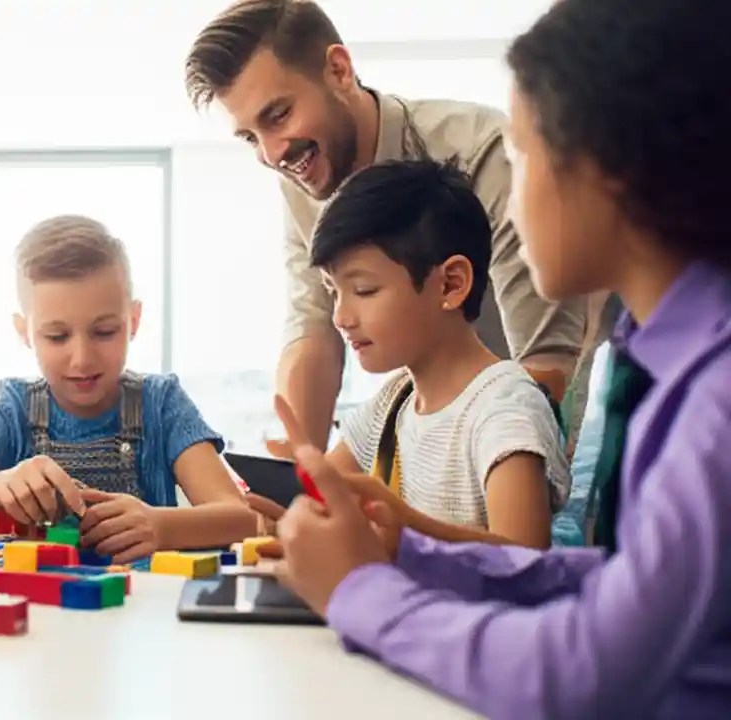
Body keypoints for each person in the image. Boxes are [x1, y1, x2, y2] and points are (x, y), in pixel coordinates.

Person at [261, 0, 731, 716]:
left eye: (521, 154)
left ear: (606, 168)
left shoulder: (715, 402)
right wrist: (408, 552)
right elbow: (616, 587)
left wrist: (361, 592)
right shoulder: (667, 367)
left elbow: (584, 670)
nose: (507, 200)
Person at [184, 0, 593, 451]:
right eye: (249, 138)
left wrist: (477, 469)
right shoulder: (303, 175)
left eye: (278, 115)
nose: (271, 154)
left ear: (339, 71)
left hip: (515, 423)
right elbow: (312, 323)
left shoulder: (483, 153)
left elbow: (546, 362)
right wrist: (298, 469)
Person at [0, 215, 255, 560]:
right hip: (34, 598)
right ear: (25, 331)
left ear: (133, 321)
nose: (82, 359)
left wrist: (161, 526)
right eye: (57, 336)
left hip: (143, 596)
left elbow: (241, 519)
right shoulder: (11, 412)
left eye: (104, 332)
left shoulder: (161, 404)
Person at [309, 158, 568, 548]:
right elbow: (320, 502)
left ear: (451, 285)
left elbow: (525, 558)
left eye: (364, 290)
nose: (341, 317)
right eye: (333, 292)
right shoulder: (396, 401)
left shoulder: (504, 410)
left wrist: (404, 530)